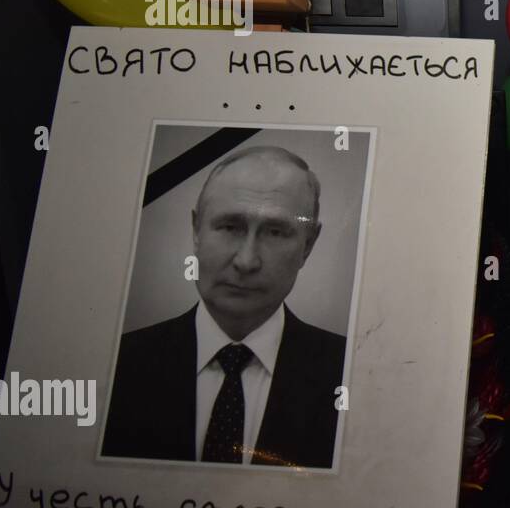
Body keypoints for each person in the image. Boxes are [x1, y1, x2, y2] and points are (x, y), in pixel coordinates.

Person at [101, 146, 346, 468]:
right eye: (230, 227)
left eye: (275, 232)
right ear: (196, 230)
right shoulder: (114, 365)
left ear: (308, 245)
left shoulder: (351, 373)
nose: (246, 261)